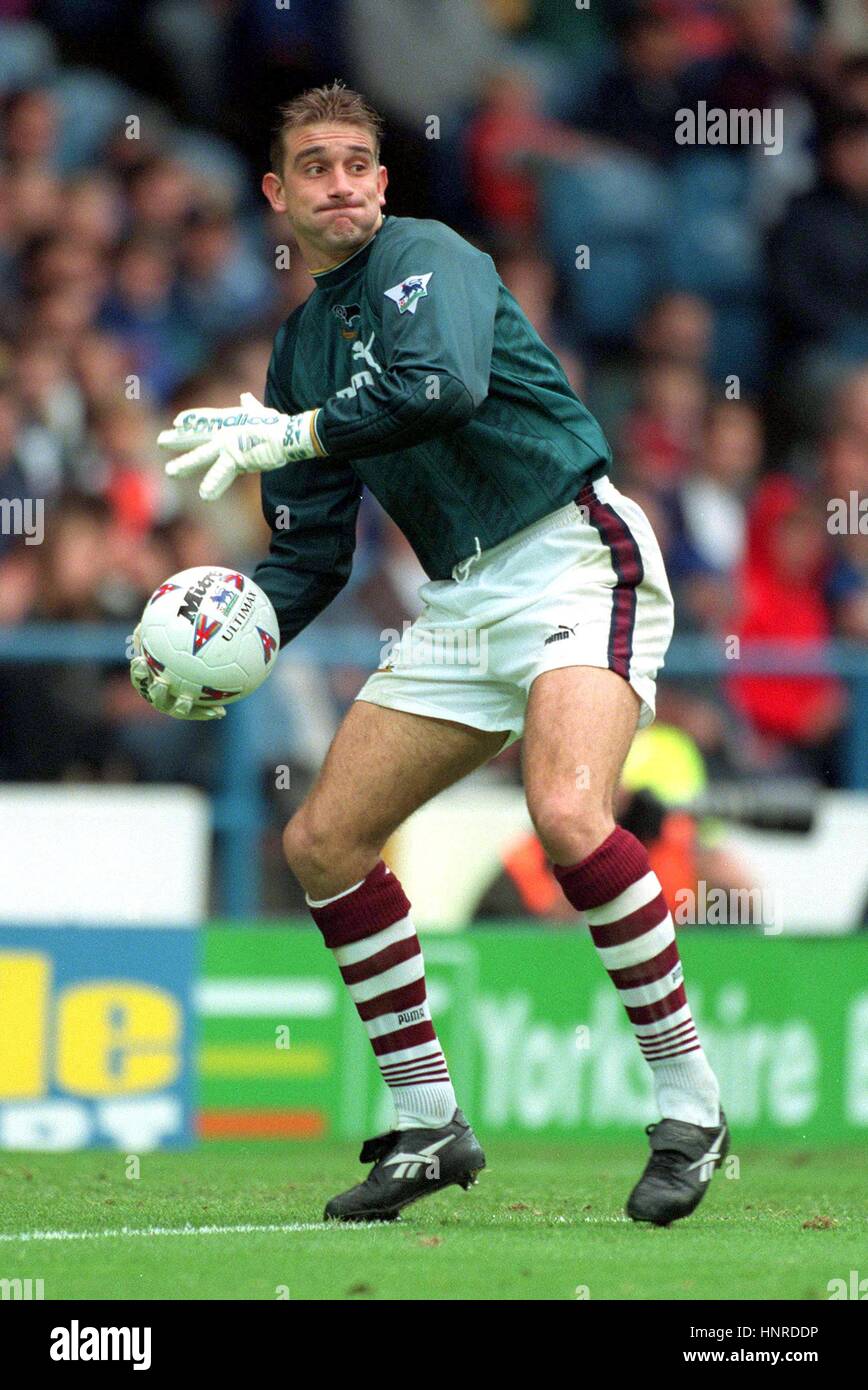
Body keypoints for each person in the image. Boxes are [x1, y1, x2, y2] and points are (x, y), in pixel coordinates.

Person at [131, 82, 728, 1227]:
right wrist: (218, 645)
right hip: (460, 601)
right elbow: (307, 552)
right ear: (276, 193)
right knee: (322, 839)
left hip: (570, 553)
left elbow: (440, 384)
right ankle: (427, 1122)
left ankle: (689, 1103)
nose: (342, 182)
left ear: (384, 181)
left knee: (565, 814)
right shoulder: (301, 348)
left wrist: (297, 430)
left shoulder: (428, 254)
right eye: (315, 166)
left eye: (359, 161)